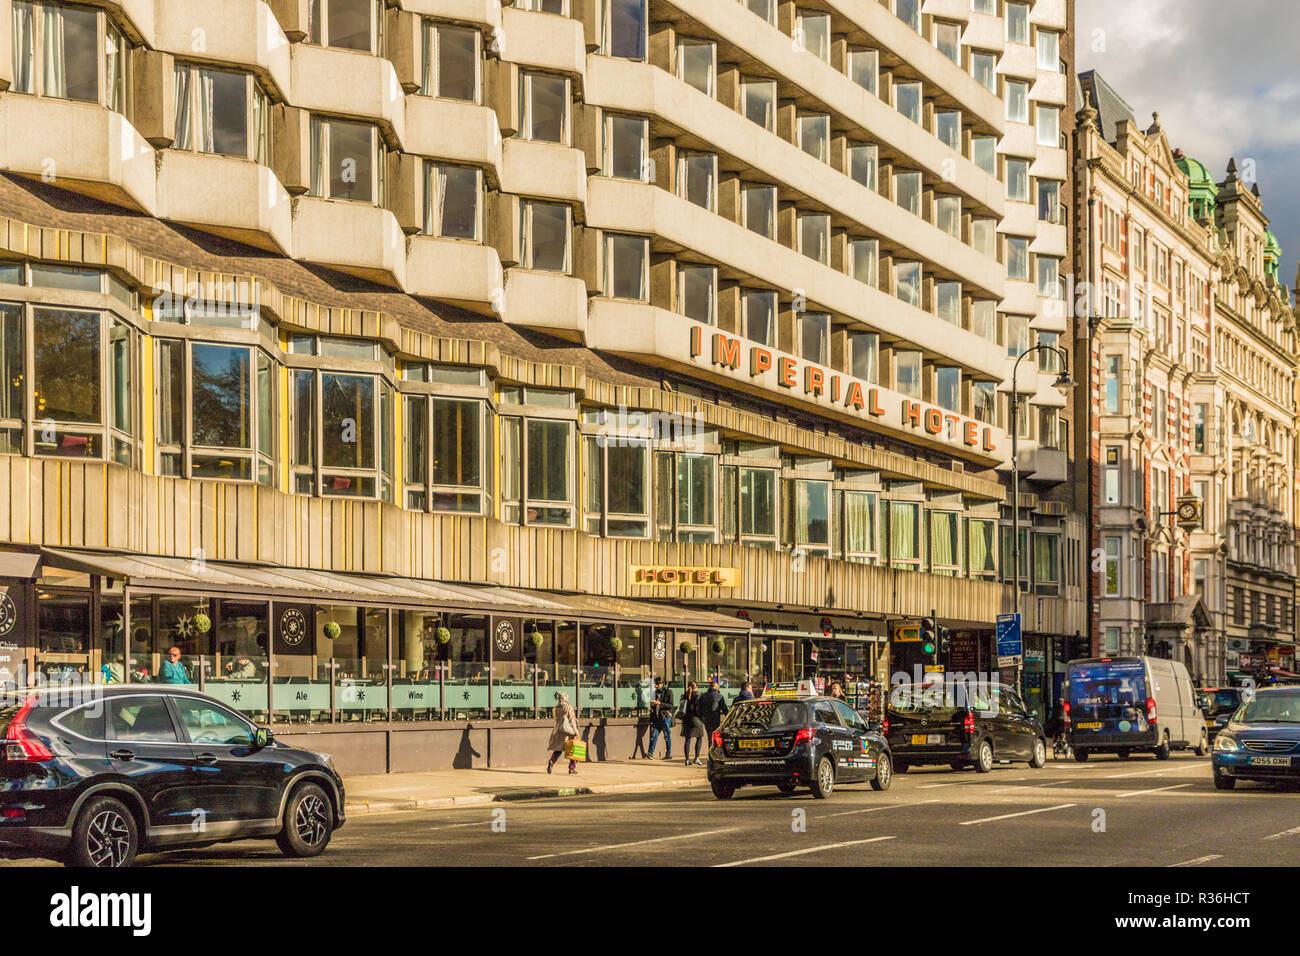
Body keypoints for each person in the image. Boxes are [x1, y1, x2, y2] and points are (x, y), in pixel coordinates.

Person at [546, 691, 579, 775]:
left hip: (558, 730)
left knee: (558, 749)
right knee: (572, 748)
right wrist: (576, 732)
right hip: (568, 731)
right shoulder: (568, 707)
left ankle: (551, 761)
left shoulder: (555, 708)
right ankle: (572, 768)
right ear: (565, 698)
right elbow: (572, 721)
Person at [697, 679, 730, 755]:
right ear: (716, 687)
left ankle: (710, 753)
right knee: (717, 738)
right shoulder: (719, 696)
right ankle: (715, 753)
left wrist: (701, 717)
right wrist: (728, 718)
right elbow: (724, 709)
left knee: (710, 737)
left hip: (706, 719)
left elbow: (698, 708)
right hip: (715, 719)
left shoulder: (703, 696)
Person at [647, 677, 674, 759]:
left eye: (658, 684)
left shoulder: (669, 692)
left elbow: (671, 706)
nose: (656, 686)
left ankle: (668, 754)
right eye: (655, 684)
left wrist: (659, 703)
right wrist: (652, 706)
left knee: (667, 736)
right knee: (654, 736)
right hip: (657, 717)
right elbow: (653, 704)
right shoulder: (655, 693)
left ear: (662, 684)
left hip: (665, 717)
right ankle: (650, 753)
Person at [679, 681, 705, 765]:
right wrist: (701, 716)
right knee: (699, 738)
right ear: (696, 687)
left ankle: (687, 759)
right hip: (695, 719)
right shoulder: (698, 696)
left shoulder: (684, 695)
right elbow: (699, 708)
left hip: (686, 719)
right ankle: (696, 758)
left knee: (687, 739)